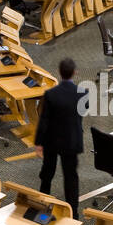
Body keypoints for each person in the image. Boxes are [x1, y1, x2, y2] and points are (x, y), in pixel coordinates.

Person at [33, 57, 83, 214]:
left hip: (51, 140)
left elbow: (44, 120)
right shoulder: (82, 94)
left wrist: (38, 142)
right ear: (75, 72)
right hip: (71, 141)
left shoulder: (50, 94)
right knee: (71, 178)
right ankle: (73, 212)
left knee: (47, 173)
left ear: (60, 73)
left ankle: (43, 202)